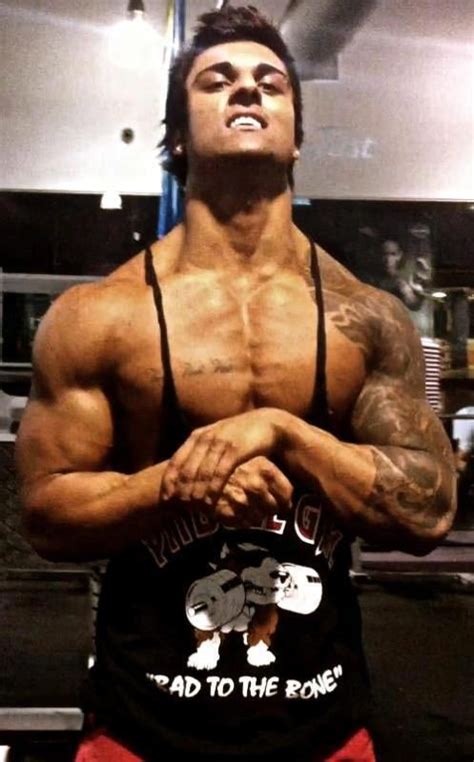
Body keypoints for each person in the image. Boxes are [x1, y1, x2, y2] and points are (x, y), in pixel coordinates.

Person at [15, 5, 456, 761]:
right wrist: (181, 483)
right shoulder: (100, 315)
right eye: (217, 80)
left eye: (270, 83)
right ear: (177, 136)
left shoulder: (366, 317)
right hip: (141, 728)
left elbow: (431, 506)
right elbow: (45, 512)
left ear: (297, 137)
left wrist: (284, 432)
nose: (248, 90)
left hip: (321, 729)